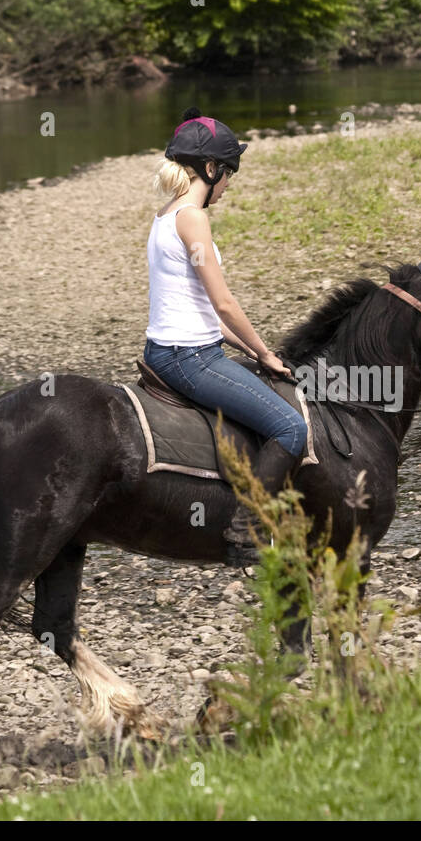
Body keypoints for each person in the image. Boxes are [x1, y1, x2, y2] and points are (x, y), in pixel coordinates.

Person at [143, 106, 308, 567]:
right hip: (188, 358)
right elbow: (224, 305)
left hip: (163, 349)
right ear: (211, 169)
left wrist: (256, 351)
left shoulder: (164, 215)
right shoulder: (193, 218)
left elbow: (203, 314)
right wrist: (263, 354)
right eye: (229, 172)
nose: (230, 183)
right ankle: (246, 530)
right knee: (290, 426)